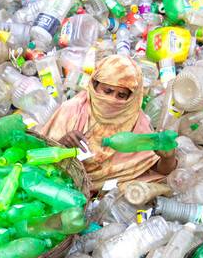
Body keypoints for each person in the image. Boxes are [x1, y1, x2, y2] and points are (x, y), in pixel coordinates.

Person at [37, 53, 175, 188]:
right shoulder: (72, 110)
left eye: (121, 95)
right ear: (94, 86)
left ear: (131, 98)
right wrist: (62, 144)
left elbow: (157, 172)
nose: (112, 100)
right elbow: (37, 156)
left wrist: (168, 158)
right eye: (107, 91)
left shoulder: (138, 123)